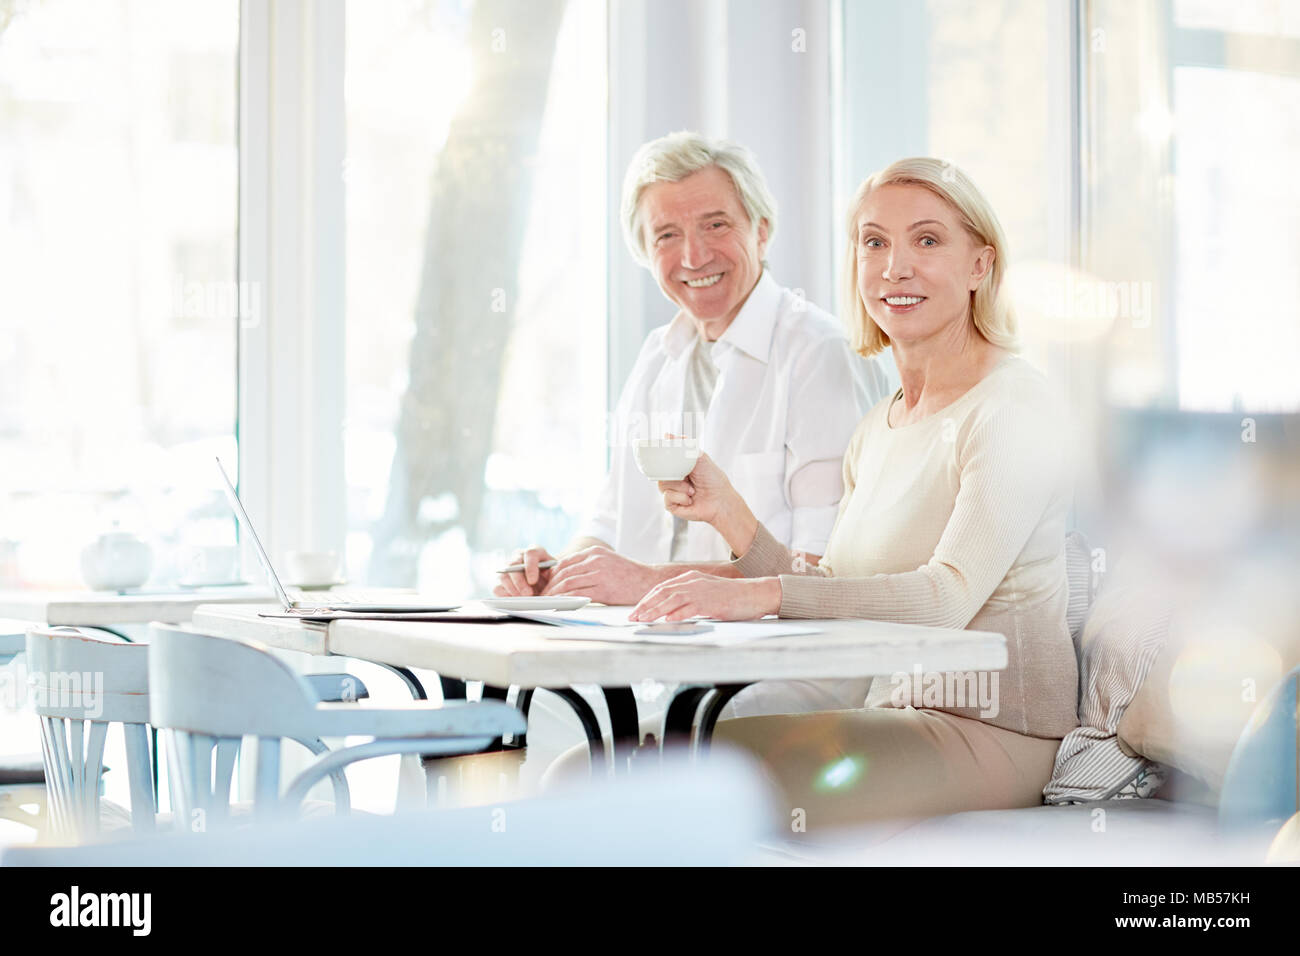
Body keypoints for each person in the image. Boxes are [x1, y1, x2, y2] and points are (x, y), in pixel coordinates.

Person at [629, 157, 1079, 832]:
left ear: (980, 264)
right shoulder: (879, 426)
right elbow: (834, 585)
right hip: (893, 716)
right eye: (874, 242)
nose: (895, 267)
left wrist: (761, 595)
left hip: (992, 736)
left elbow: (947, 597)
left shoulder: (1013, 406)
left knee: (659, 784)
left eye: (927, 240)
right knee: (605, 767)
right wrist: (729, 513)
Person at [496, 131, 892, 607]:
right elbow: (609, 521)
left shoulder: (819, 353)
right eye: (667, 235)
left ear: (761, 231)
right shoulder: (657, 356)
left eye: (716, 225)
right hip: (653, 640)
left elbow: (822, 570)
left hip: (772, 649)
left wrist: (644, 582)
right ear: (645, 252)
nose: (694, 257)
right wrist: (557, 575)